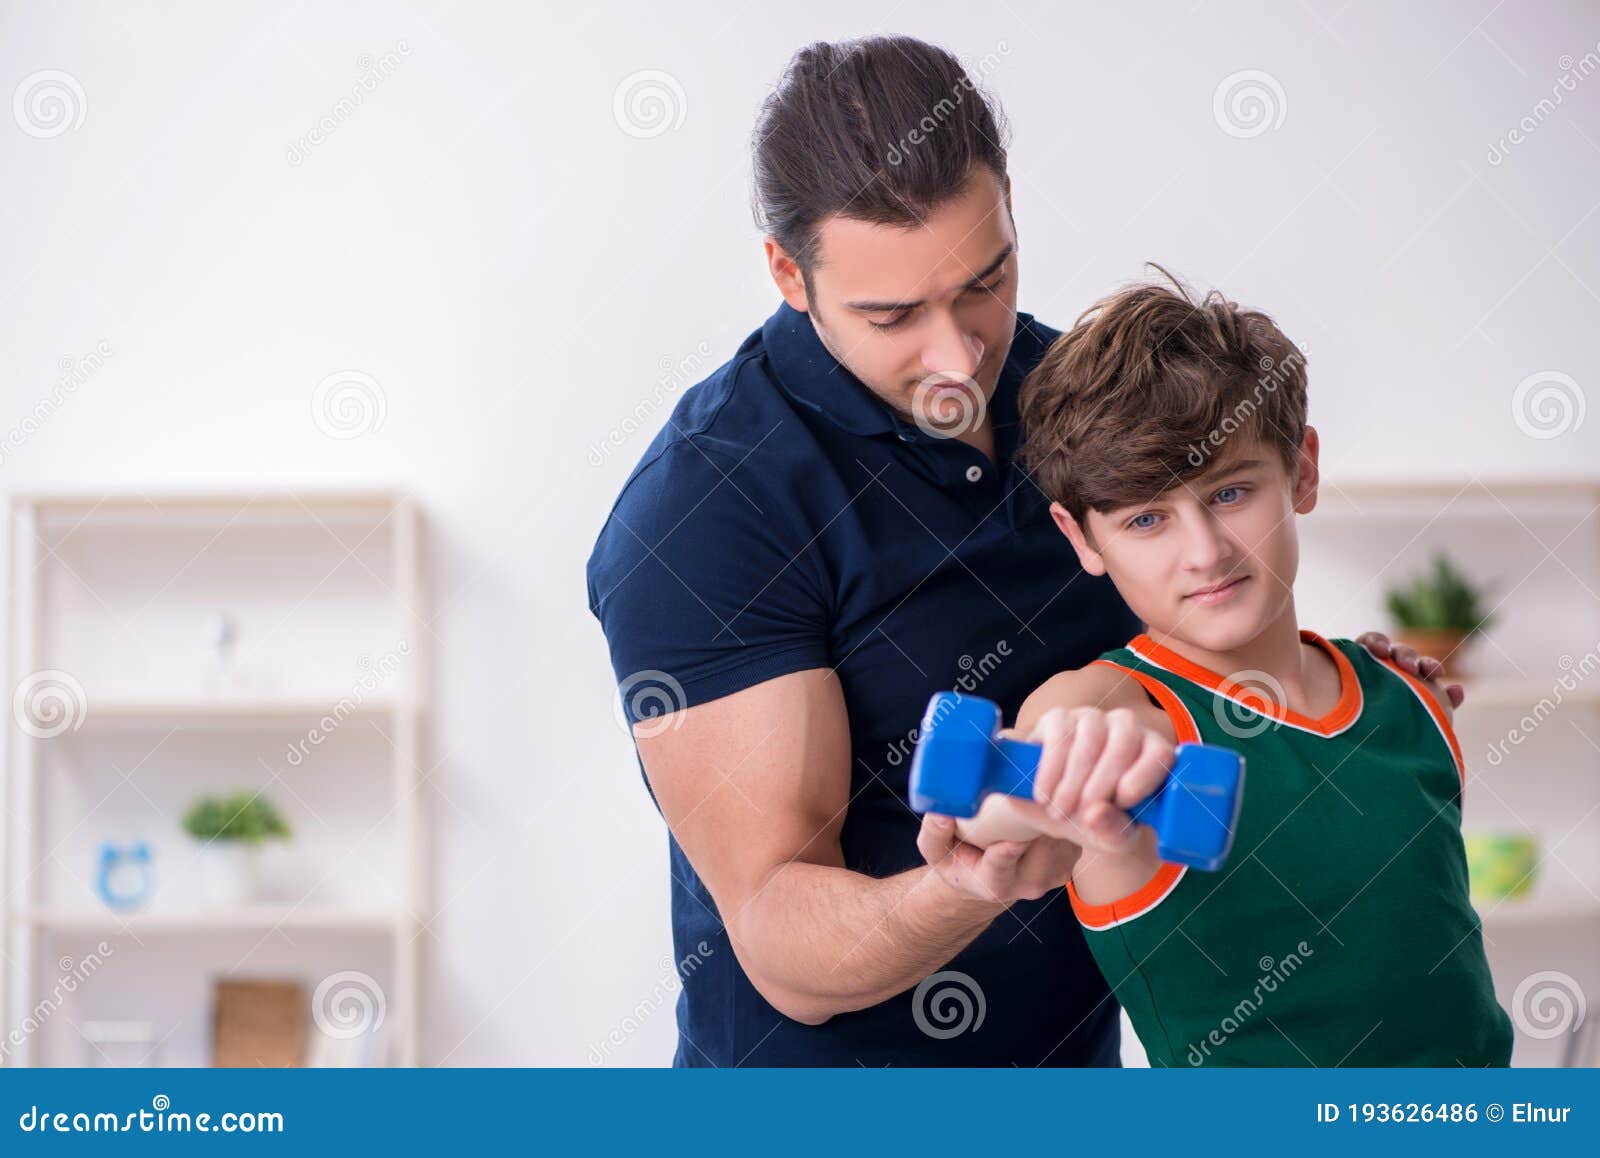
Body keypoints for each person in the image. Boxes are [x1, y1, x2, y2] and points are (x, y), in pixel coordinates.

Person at [585, 35, 1459, 1066]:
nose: (958, 356)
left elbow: (1194, 595)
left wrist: (1321, 688)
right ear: (788, 272)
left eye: (984, 283)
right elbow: (781, 941)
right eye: (894, 316)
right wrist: (973, 881)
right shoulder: (704, 512)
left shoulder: (1067, 390)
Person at [946, 269, 1511, 1066]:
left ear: (1302, 471)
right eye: (1146, 519)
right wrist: (1058, 767)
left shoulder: (1410, 699)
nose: (1205, 552)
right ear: (1082, 539)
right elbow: (1019, 796)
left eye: (1230, 492)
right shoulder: (1117, 711)